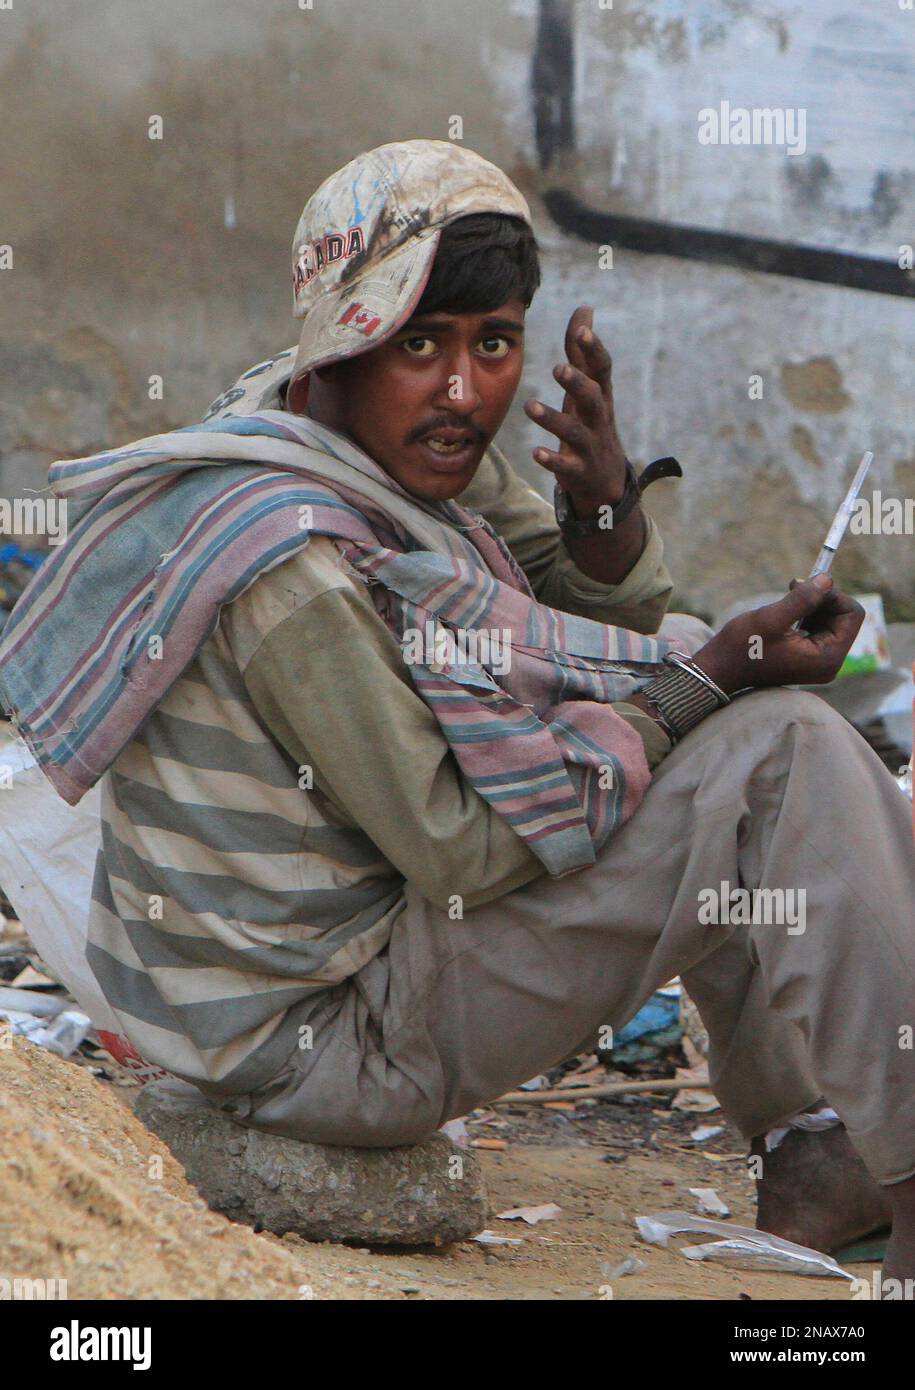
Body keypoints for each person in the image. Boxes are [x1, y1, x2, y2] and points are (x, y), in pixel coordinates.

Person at [1, 140, 912, 1277]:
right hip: (322, 1044)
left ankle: (819, 1148)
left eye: (493, 343)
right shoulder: (295, 561)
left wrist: (605, 510)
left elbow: (608, 620)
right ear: (341, 338)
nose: (463, 389)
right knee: (777, 749)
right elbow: (464, 850)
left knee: (707, 711)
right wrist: (703, 685)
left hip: (316, 988)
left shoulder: (345, 431)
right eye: (419, 344)